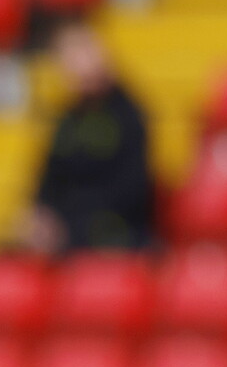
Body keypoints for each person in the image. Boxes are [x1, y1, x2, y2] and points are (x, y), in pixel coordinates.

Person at [21, 20, 155, 254]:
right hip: (66, 234)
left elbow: (132, 192)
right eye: (67, 56)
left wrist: (67, 224)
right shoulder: (67, 120)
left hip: (115, 233)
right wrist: (40, 215)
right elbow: (48, 178)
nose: (75, 64)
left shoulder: (129, 115)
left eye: (81, 52)